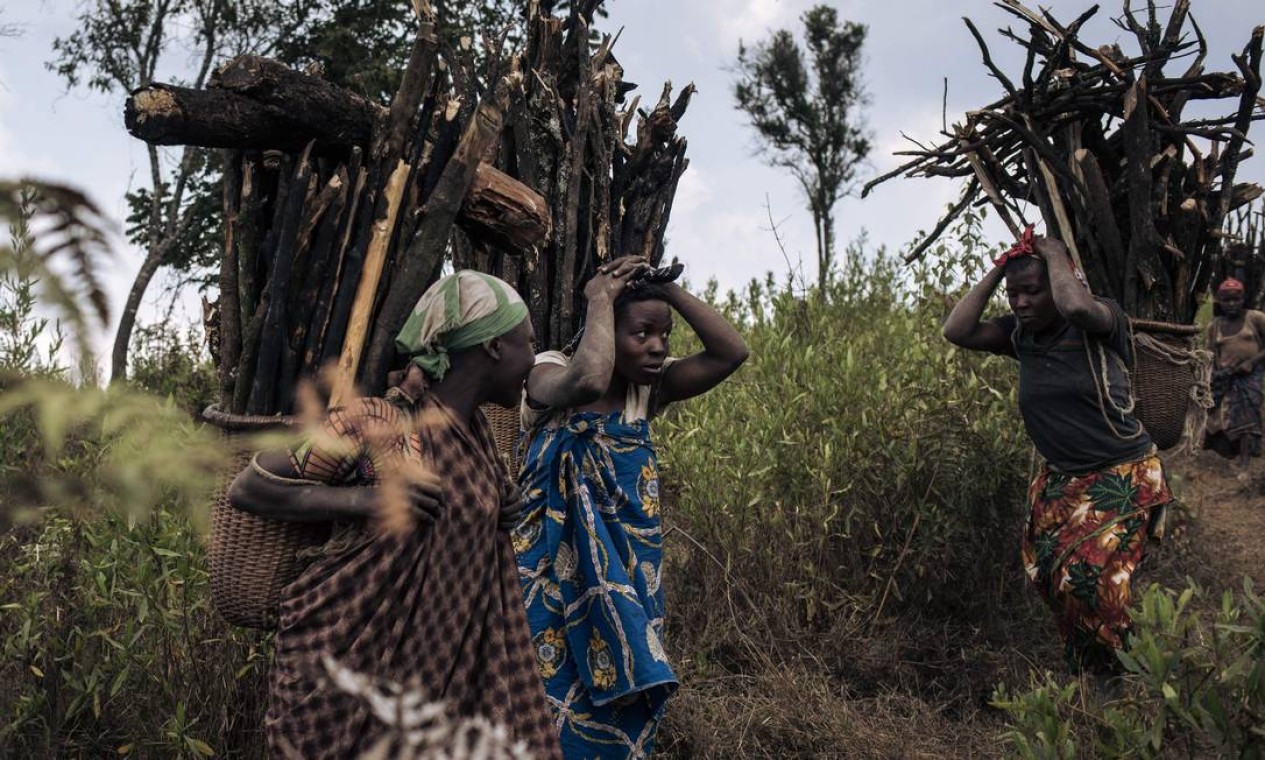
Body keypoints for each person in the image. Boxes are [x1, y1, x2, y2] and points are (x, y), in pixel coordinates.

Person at [228, 270, 562, 759]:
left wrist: (498, 507)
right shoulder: (379, 425)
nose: (533, 360)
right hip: (349, 666)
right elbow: (250, 486)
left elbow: (461, 517)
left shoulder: (482, 434)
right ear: (492, 347)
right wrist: (365, 501)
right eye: (527, 343)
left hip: (447, 672)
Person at [512, 255, 748, 757]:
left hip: (627, 572)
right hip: (547, 573)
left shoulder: (649, 391)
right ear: (602, 327)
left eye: (664, 335)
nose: (658, 346)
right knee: (544, 685)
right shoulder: (547, 372)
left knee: (625, 677)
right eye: (642, 333)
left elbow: (732, 352)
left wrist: (669, 292)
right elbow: (590, 381)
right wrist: (600, 297)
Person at [942, 229, 1173, 673]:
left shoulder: (1102, 321)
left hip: (1120, 475)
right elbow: (957, 329)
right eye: (1014, 295)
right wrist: (1000, 267)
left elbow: (1075, 306)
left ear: (1058, 281)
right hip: (1061, 481)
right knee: (1052, 578)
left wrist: (1053, 251)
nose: (1021, 303)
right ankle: (1097, 670)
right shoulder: (1018, 336)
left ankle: (1126, 678)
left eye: (1031, 292)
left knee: (1092, 581)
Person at [1203, 277, 1265, 472]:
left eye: (1235, 299)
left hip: (1250, 374)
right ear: (1219, 301)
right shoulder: (1215, 325)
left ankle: (1245, 461)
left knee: (1247, 411)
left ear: (1243, 298)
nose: (1231, 304)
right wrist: (1213, 376)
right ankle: (1228, 451)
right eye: (1226, 300)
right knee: (1220, 415)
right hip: (1225, 376)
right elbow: (1210, 354)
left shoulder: (1255, 318)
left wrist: (1251, 362)